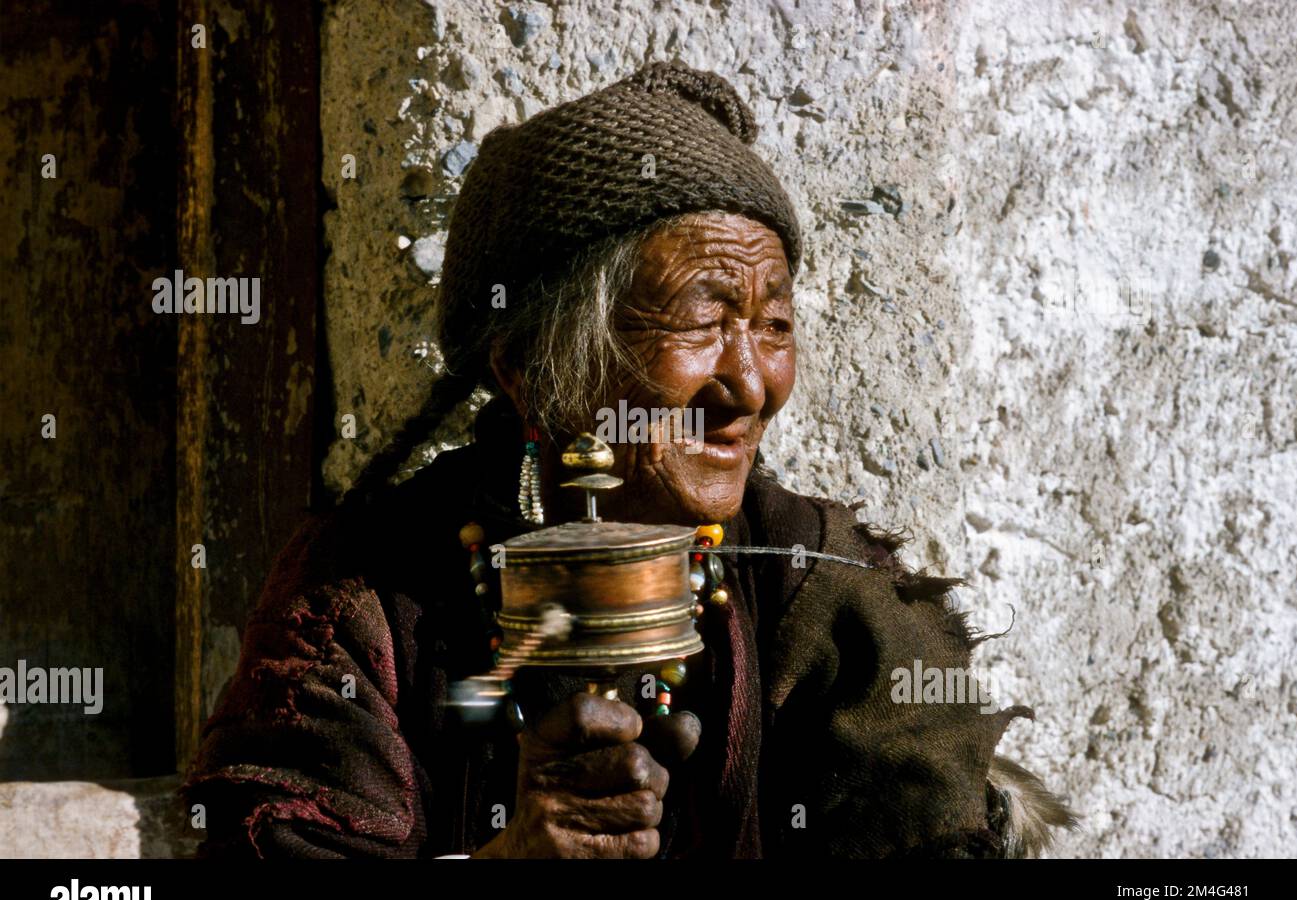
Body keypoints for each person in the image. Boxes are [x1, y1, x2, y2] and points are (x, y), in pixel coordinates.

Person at [183, 61, 1075, 859]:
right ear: (532, 368)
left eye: (773, 325)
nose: (751, 383)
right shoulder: (371, 599)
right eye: (701, 318)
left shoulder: (816, 585)